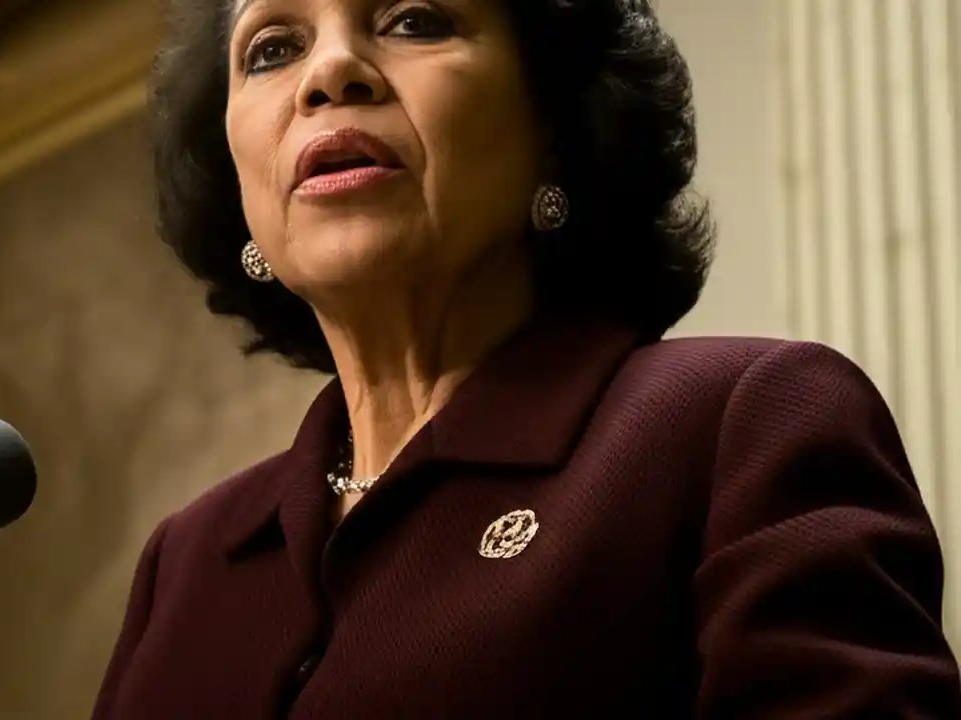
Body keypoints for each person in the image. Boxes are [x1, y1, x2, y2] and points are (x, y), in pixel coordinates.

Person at [92, 0, 961, 716]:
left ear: (554, 122)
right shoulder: (188, 562)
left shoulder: (740, 421)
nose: (330, 73)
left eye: (414, 20)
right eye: (273, 49)